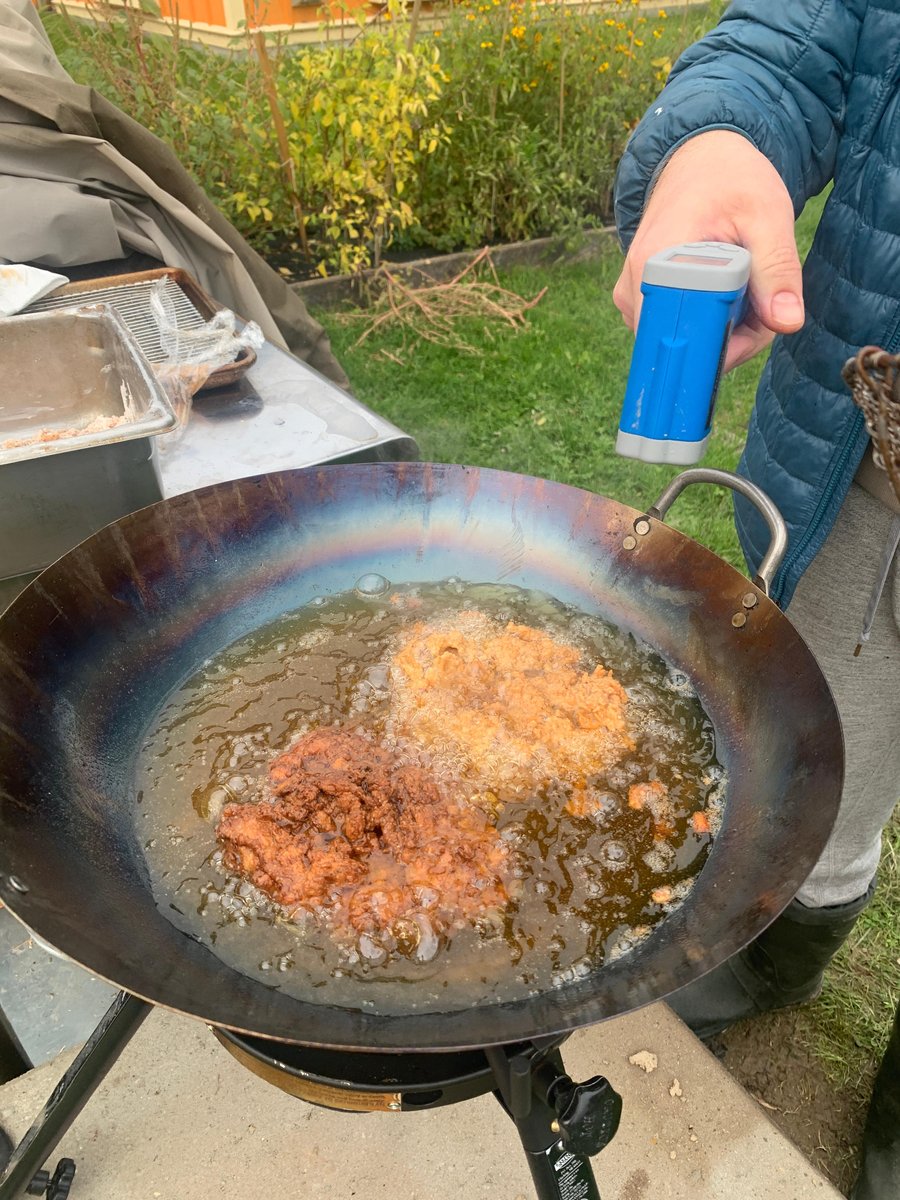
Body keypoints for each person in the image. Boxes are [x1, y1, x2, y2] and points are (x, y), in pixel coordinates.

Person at [612, 4, 900, 1198]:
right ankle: (781, 961)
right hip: (873, 461)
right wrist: (718, 137)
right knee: (829, 752)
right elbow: (797, 40)